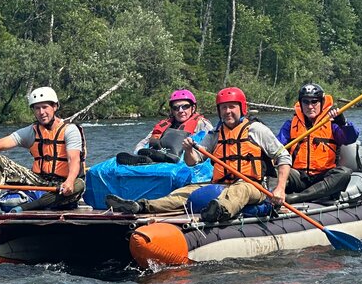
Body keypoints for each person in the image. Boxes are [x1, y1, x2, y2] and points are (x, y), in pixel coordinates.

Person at [106, 87, 292, 224]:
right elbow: (192, 162)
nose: (227, 111)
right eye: (223, 108)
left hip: (252, 185)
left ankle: (218, 212)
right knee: (184, 192)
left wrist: (280, 188)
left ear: (241, 108)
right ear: (218, 111)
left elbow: (283, 157)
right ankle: (142, 206)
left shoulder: (256, 130)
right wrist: (188, 150)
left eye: (232, 107)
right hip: (220, 184)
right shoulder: (215, 134)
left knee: (239, 190)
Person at [0, 86, 86, 214]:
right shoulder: (31, 131)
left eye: (45, 107)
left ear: (55, 107)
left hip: (62, 184)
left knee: (79, 184)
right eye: (37, 108)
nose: (41, 112)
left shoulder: (70, 130)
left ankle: (27, 207)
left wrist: (69, 181)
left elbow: (73, 159)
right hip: (38, 181)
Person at [276, 83, 360, 204]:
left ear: (321, 102)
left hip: (323, 177)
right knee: (274, 171)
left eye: (314, 102)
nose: (310, 106)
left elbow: (350, 138)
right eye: (306, 102)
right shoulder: (290, 125)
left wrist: (343, 123)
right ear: (300, 103)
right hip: (299, 176)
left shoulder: (332, 123)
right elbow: (277, 147)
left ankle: (298, 198)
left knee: (344, 173)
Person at [118, 88, 213, 165]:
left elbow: (211, 143)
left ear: (193, 108)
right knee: (144, 151)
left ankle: (160, 159)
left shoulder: (202, 123)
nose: (180, 110)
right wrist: (138, 150)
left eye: (185, 106)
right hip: (160, 152)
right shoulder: (165, 124)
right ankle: (144, 159)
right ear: (172, 110)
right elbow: (145, 141)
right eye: (176, 108)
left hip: (185, 157)